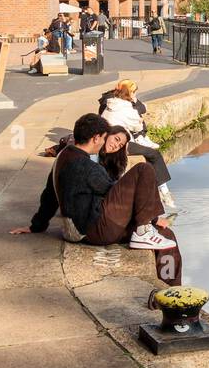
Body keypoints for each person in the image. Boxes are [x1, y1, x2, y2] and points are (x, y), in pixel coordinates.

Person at [12, 115, 181, 280]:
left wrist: (37, 226)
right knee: (144, 170)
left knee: (167, 236)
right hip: (95, 230)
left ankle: (170, 292)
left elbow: (50, 194)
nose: (105, 142)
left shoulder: (63, 157)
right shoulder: (86, 166)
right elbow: (114, 194)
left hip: (79, 229)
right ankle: (144, 232)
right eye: (106, 138)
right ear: (96, 138)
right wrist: (150, 218)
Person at [99, 80, 176, 210]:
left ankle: (161, 192)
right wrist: (135, 104)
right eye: (134, 92)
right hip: (120, 140)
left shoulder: (109, 102)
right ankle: (164, 191)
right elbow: (137, 125)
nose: (135, 94)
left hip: (107, 138)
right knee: (154, 154)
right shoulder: (126, 107)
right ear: (130, 92)